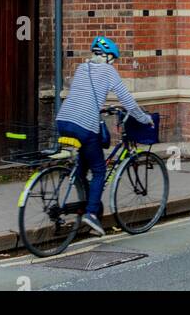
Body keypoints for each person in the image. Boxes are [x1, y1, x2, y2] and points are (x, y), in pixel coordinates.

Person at [56, 35, 153, 235]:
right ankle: (91, 213)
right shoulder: (109, 71)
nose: (113, 63)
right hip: (84, 125)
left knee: (83, 167)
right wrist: (144, 118)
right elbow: (127, 101)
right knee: (100, 170)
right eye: (114, 59)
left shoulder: (82, 68)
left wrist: (102, 107)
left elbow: (82, 96)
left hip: (63, 120)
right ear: (109, 57)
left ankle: (85, 204)